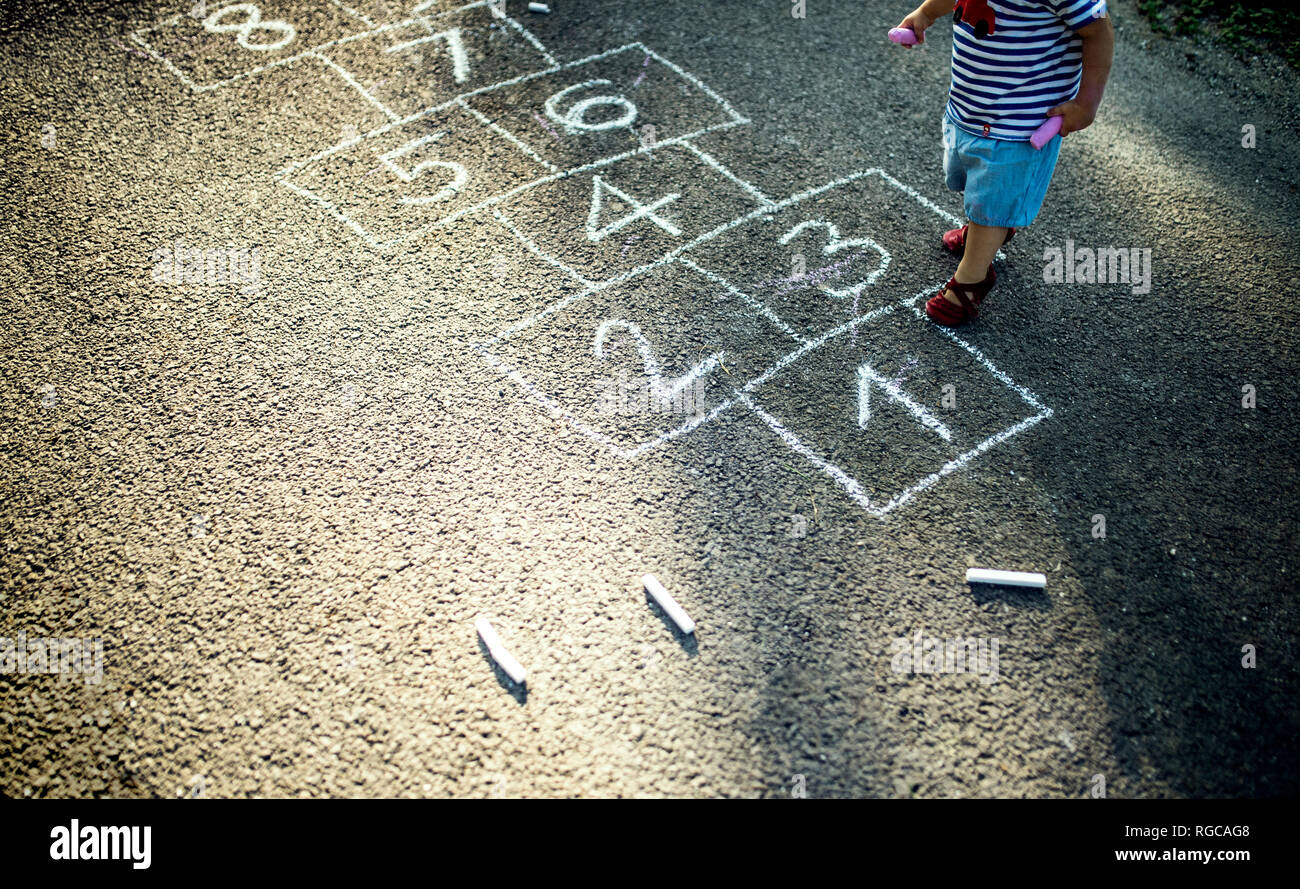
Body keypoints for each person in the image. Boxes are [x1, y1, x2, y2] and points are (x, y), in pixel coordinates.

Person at [896, 0, 1114, 325]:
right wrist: (927, 13)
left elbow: (1098, 31)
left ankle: (971, 280)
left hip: (1021, 125)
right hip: (969, 105)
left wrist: (1086, 104)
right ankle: (987, 231)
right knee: (969, 179)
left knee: (992, 200)